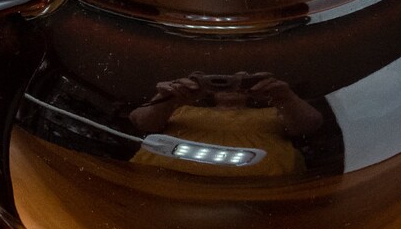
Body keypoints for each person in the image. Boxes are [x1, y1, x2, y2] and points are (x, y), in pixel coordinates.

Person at [129, 72, 322, 177]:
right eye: (223, 81)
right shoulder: (183, 109)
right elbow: (142, 123)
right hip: (159, 181)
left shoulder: (274, 112)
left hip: (265, 190)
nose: (230, 85)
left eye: (241, 81)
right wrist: (167, 98)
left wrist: (285, 97)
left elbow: (310, 125)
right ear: (210, 88)